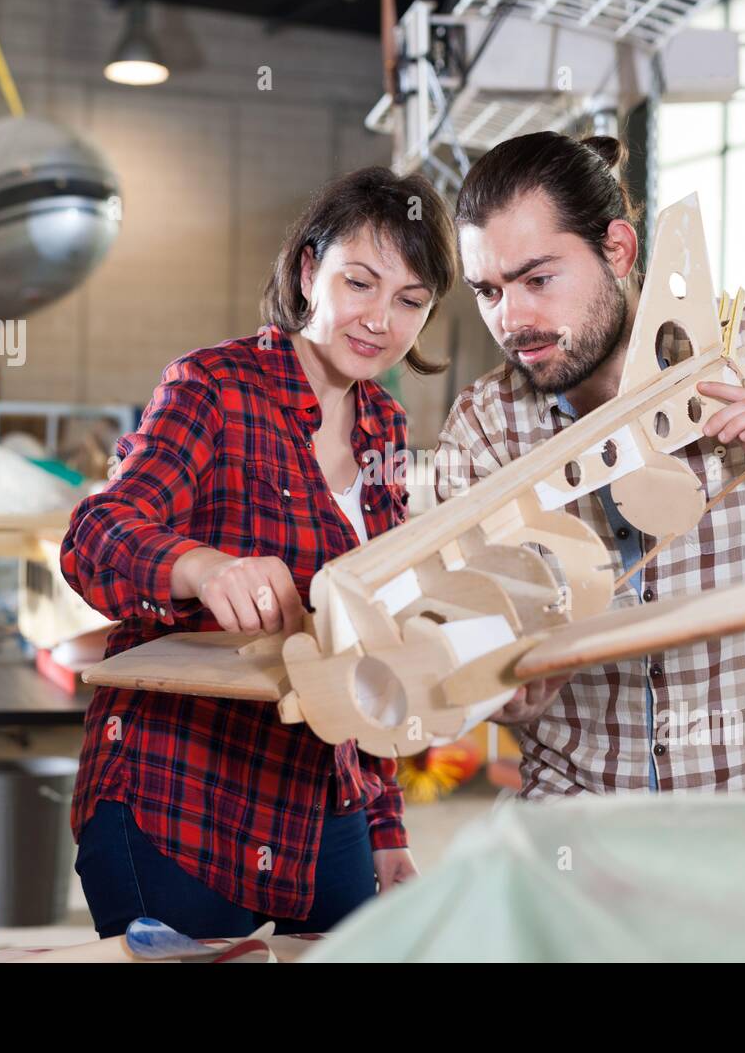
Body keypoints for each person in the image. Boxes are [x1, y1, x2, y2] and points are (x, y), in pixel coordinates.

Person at [435, 131, 745, 797]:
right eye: (489, 291)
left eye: (537, 279)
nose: (513, 318)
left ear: (619, 249)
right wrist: (506, 686)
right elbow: (477, 665)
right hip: (580, 831)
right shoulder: (484, 427)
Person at [62, 166, 457, 937]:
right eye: (360, 283)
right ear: (310, 272)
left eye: (410, 301)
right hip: (180, 790)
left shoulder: (386, 429)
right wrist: (200, 567)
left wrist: (385, 826)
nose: (380, 318)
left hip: (318, 800)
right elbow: (94, 538)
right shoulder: (213, 387)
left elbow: (367, 640)